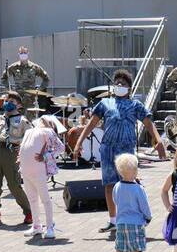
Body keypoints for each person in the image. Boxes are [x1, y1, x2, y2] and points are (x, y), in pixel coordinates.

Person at [71, 68, 166, 234]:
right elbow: (91, 124)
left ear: (129, 88)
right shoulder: (105, 104)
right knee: (109, 184)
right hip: (108, 149)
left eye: (123, 83)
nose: (120, 85)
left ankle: (139, 215)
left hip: (127, 150)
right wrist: (79, 142)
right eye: (117, 83)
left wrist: (158, 140)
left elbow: (148, 122)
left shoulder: (135, 105)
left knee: (131, 183)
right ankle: (113, 220)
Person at [0, 89, 33, 226]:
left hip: (12, 152)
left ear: (19, 105)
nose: (7, 103)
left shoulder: (23, 121)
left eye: (11, 101)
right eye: (6, 101)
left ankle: (29, 211)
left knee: (14, 185)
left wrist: (22, 149)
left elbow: (29, 138)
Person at [18, 113, 65, 241]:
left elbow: (61, 148)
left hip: (38, 170)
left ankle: (50, 227)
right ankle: (36, 225)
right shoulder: (30, 131)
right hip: (26, 170)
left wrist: (46, 157)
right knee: (32, 199)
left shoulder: (47, 131)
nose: (42, 119)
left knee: (45, 199)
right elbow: (24, 148)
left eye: (46, 119)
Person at [113, 152, 152, 252]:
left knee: (120, 245)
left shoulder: (117, 186)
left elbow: (115, 200)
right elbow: (144, 204)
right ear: (135, 171)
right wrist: (148, 216)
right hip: (135, 222)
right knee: (134, 247)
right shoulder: (137, 188)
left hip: (120, 221)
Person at [1, 45, 50, 111]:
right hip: (18, 100)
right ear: (18, 54)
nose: (23, 55)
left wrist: (39, 90)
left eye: (25, 53)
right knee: (17, 119)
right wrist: (10, 89)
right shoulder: (14, 67)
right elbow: (4, 78)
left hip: (31, 100)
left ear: (28, 53)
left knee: (31, 120)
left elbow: (46, 79)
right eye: (21, 53)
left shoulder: (34, 67)